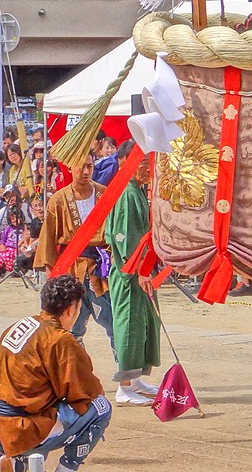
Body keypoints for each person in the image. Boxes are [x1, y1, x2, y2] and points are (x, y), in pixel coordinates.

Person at [0, 274, 112, 472]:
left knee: (44, 401)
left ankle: (16, 461)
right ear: (71, 310)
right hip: (23, 428)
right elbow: (86, 391)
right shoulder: (60, 339)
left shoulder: (21, 325)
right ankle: (65, 468)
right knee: (101, 406)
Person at [35, 153, 114, 348]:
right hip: (70, 268)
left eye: (90, 166)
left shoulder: (105, 194)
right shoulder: (59, 200)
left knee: (115, 322)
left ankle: (128, 378)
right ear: (69, 168)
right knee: (68, 327)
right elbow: (49, 239)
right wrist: (50, 271)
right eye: (81, 167)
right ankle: (70, 370)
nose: (86, 171)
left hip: (100, 268)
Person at [104, 141, 160, 405]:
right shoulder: (125, 192)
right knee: (128, 325)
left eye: (149, 162)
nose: (147, 168)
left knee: (142, 325)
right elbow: (125, 239)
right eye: (142, 162)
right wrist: (139, 270)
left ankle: (135, 379)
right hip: (129, 271)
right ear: (124, 162)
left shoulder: (136, 189)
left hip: (141, 268)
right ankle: (124, 387)